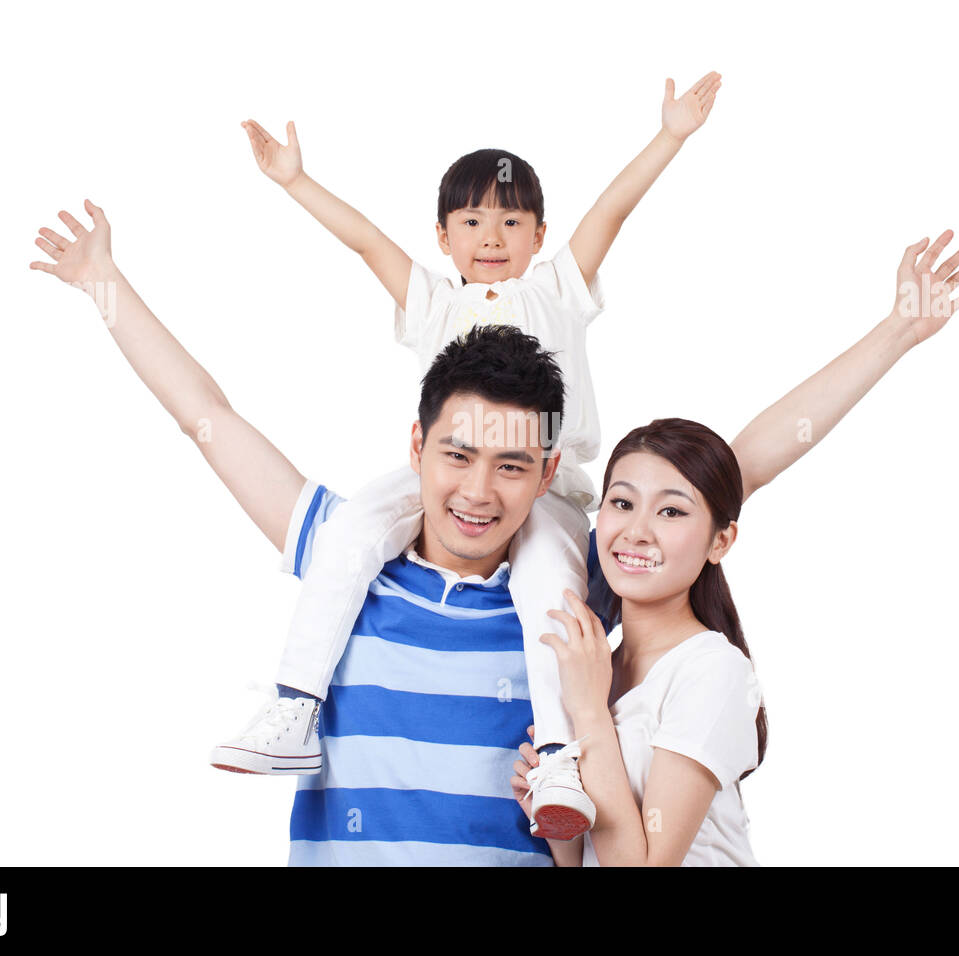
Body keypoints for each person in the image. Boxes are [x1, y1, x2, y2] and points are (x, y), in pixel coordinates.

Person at [28, 199, 959, 864]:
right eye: (457, 455)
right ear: (417, 445)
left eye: (514, 465)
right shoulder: (344, 561)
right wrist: (105, 283)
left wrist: (896, 331)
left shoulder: (568, 594)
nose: (479, 491)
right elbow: (210, 419)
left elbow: (730, 467)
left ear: (549, 472)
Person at [222, 73, 723, 842]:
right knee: (352, 535)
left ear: (539, 233)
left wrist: (671, 135)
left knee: (555, 595)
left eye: (511, 220)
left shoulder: (558, 287)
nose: (492, 237)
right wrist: (296, 180)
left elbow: (612, 211)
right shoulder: (432, 301)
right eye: (472, 220)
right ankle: (296, 703)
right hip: (447, 479)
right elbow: (364, 242)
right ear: (444, 237)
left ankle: (558, 754)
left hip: (542, 495)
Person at [512, 419, 766, 866]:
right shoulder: (597, 670)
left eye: (671, 511)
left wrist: (589, 711)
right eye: (623, 503)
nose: (636, 532)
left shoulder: (713, 670)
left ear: (720, 540)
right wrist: (559, 826)